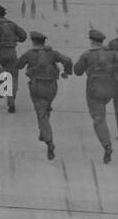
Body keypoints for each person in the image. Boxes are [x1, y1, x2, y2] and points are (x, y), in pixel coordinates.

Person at [74, 29, 118, 163]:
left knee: (99, 119)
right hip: (110, 88)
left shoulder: (87, 55)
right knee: (108, 105)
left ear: (92, 41)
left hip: (94, 90)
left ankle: (107, 145)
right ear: (102, 42)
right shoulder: (112, 53)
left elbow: (77, 71)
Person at [14, 31, 73, 159]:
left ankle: (49, 141)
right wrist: (67, 72)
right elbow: (67, 60)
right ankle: (43, 132)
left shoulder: (30, 54)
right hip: (52, 86)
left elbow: (18, 65)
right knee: (46, 108)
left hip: (36, 86)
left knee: (41, 113)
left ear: (33, 41)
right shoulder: (53, 53)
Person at [0, 5, 28, 112]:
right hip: (11, 53)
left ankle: (2, 89)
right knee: (13, 76)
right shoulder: (12, 24)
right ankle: (11, 101)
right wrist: (13, 39)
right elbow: (23, 36)